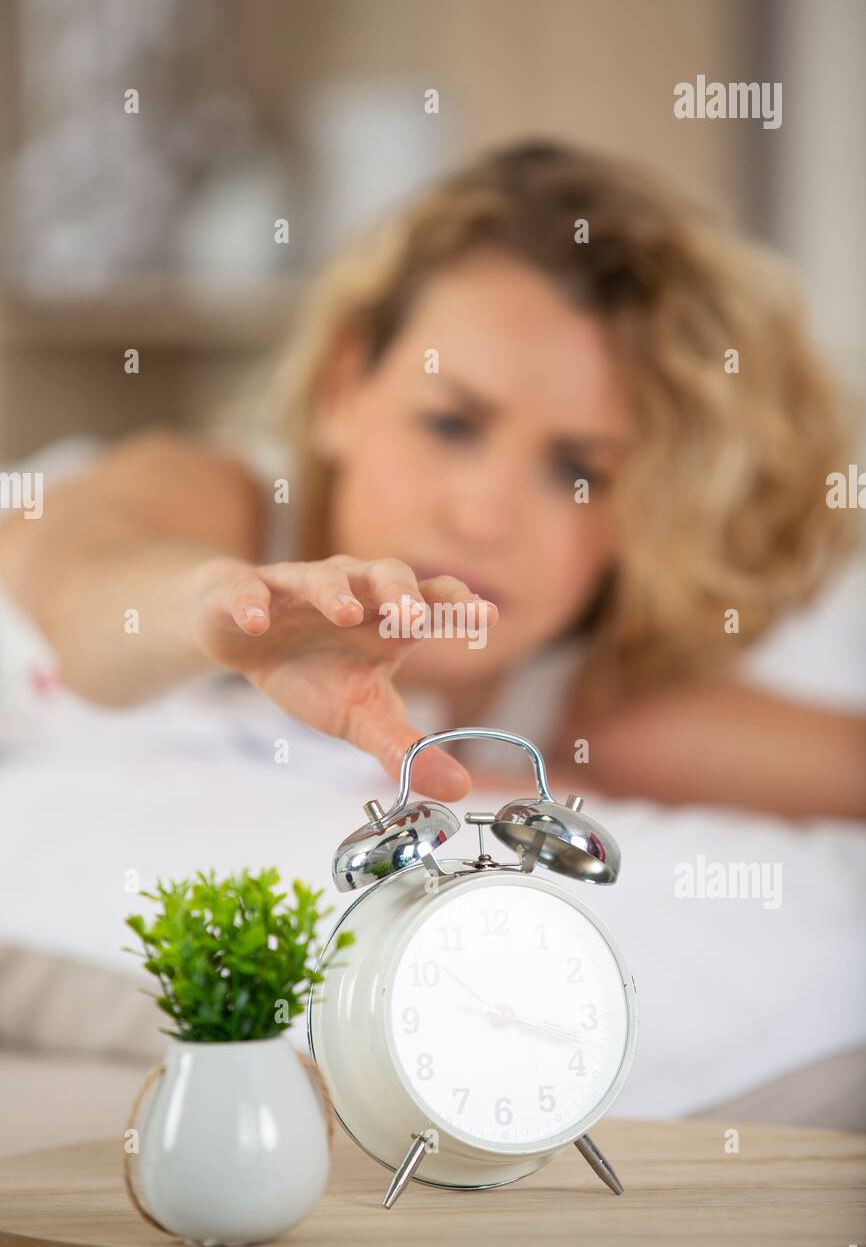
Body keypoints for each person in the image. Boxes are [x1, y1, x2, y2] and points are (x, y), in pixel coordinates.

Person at [1, 140, 863, 815]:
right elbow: (84, 604)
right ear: (345, 387)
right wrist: (217, 607)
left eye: (579, 470)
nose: (486, 516)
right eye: (450, 424)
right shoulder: (223, 501)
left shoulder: (580, 694)